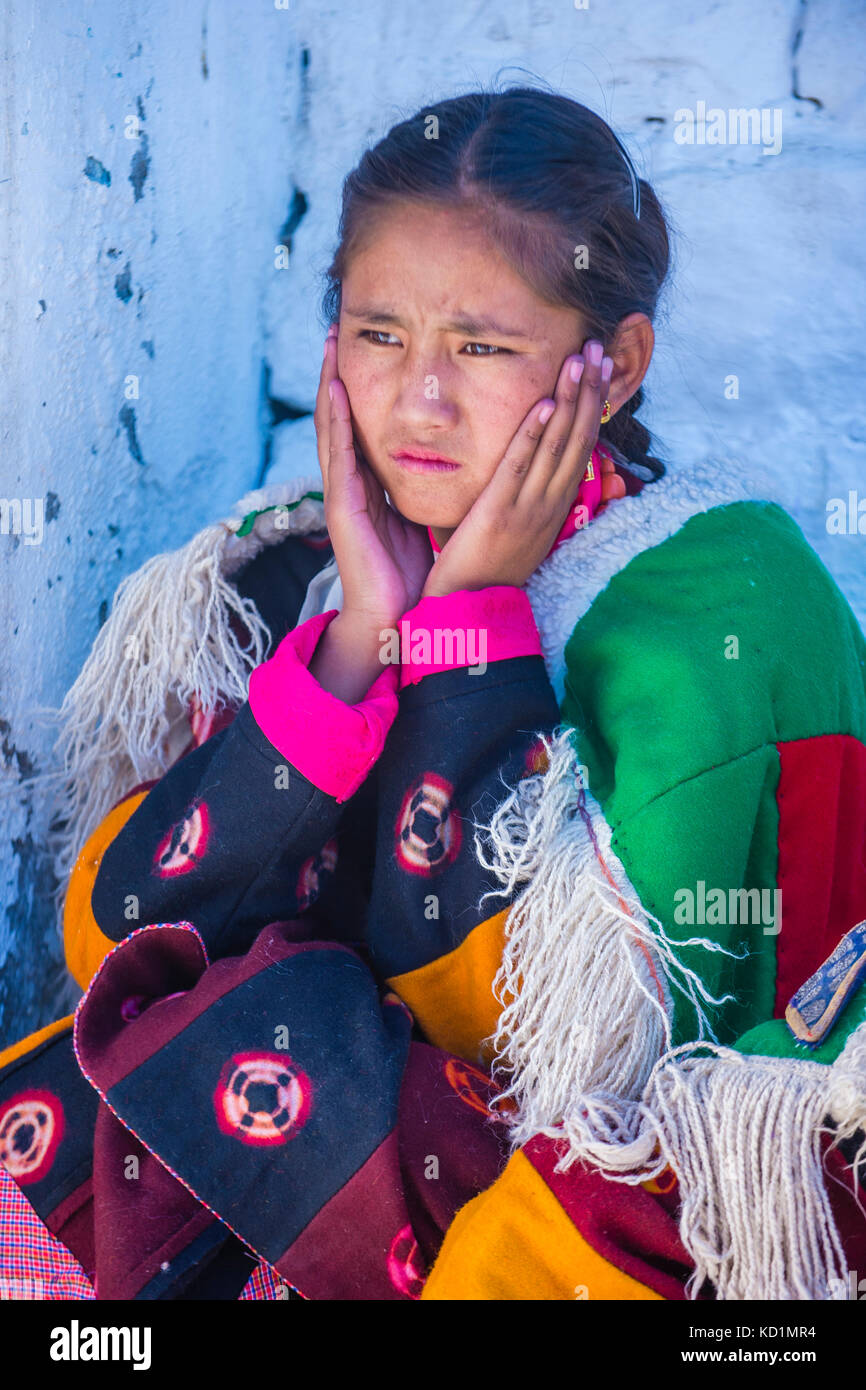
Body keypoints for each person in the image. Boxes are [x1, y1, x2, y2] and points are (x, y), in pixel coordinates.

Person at [2, 86, 866, 1302]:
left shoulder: (724, 611)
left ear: (609, 366)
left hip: (531, 1211)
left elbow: (531, 1060)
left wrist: (469, 633)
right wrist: (359, 639)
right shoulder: (299, 567)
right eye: (377, 332)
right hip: (301, 1154)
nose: (416, 399)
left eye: (480, 346)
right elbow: (115, 938)